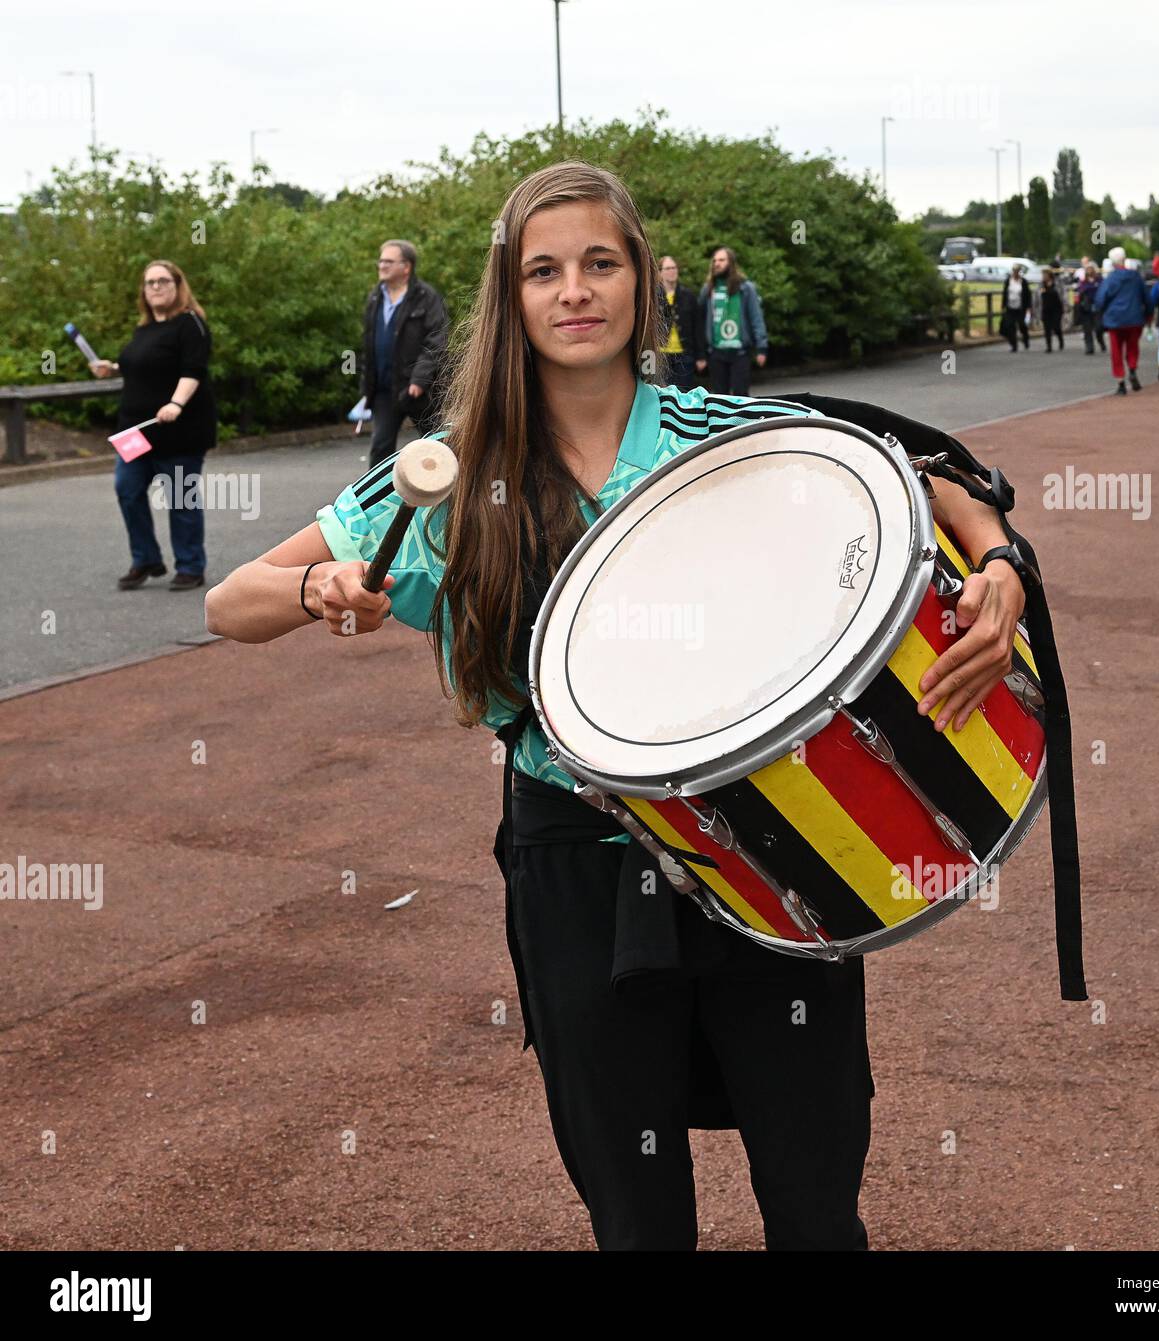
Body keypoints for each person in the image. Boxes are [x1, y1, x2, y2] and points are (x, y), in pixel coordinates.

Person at [204, 159, 1028, 1252]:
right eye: (544, 271)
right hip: (575, 860)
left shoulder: (716, 434)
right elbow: (230, 603)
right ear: (513, 296)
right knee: (636, 1220)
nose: (574, 290)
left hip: (772, 834)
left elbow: (926, 478)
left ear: (641, 281)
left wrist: (1000, 562)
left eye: (600, 263)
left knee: (817, 1194)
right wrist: (318, 588)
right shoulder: (452, 477)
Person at [91, 259, 217, 591]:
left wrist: (176, 403)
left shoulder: (190, 324)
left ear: (178, 285)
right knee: (127, 489)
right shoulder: (144, 329)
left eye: (163, 281)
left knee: (180, 498)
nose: (156, 287)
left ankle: (191, 565)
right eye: (150, 283)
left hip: (180, 431)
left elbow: (193, 370)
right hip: (135, 430)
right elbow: (144, 365)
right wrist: (114, 367)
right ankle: (146, 558)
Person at [361, 240, 450, 468]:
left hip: (419, 389)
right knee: (380, 447)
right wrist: (366, 388)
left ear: (406, 267)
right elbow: (368, 343)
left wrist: (420, 378)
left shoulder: (427, 297)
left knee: (436, 445)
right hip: (384, 391)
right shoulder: (375, 298)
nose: (382, 265)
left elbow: (437, 339)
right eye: (381, 260)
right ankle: (375, 502)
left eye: (388, 261)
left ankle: (447, 495)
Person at [695, 246, 767, 393]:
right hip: (716, 353)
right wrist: (701, 353)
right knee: (720, 400)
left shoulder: (746, 288)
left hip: (740, 352)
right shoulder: (708, 289)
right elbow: (699, 321)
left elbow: (756, 317)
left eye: (721, 260)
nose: (717, 263)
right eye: (715, 260)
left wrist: (761, 347)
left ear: (731, 263)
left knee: (741, 397)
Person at [1094, 245, 1153, 394]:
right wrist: (1148, 314)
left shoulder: (1110, 279)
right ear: (1125, 260)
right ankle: (1132, 369)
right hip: (1134, 318)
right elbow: (1147, 297)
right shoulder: (1135, 277)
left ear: (1112, 263)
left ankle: (1120, 382)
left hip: (1115, 319)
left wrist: (1100, 312)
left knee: (1116, 351)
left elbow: (1100, 299)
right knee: (1133, 347)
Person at [657, 255, 700, 390]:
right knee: (660, 395)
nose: (672, 271)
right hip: (660, 356)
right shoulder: (653, 296)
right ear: (660, 272)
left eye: (674, 268)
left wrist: (701, 355)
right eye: (668, 268)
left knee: (684, 395)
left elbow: (697, 326)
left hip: (684, 354)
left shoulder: (688, 296)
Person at [1075, 262, 1105, 355]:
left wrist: (1090, 288)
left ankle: (1101, 341)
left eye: (1091, 269)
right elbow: (1081, 291)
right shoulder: (1083, 282)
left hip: (1097, 307)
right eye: (1087, 269)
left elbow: (1102, 290)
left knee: (1098, 328)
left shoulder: (1100, 280)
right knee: (1087, 329)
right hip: (1086, 308)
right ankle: (1089, 347)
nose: (1089, 271)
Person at [1000, 264, 1031, 351]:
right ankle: (1014, 345)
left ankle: (1025, 339)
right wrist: (1003, 306)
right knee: (1010, 326)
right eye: (1014, 271)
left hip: (1020, 308)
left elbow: (1028, 295)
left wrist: (1029, 307)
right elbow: (1005, 294)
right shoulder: (1008, 281)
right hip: (1010, 308)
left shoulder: (1023, 282)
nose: (1015, 273)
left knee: (1022, 325)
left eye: (1017, 271)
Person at [1039, 268, 1064, 352]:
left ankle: (1060, 339)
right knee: (1047, 328)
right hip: (1045, 309)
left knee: (1056, 327)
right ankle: (1049, 346)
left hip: (1056, 309)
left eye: (1045, 275)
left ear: (1049, 276)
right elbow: (1037, 297)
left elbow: (1063, 295)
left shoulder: (1057, 283)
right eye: (1043, 275)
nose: (1044, 277)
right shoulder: (1041, 285)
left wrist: (1065, 305)